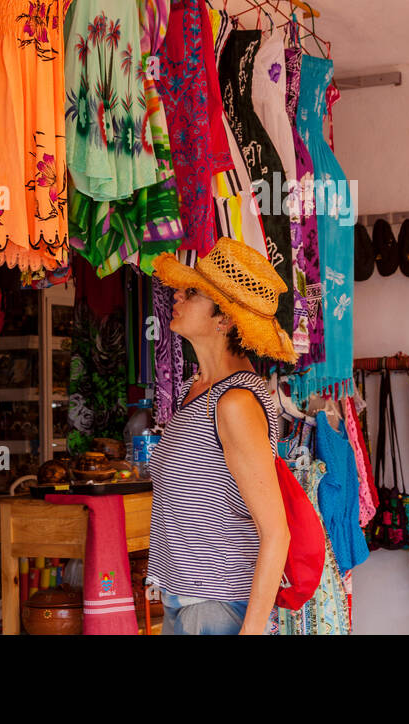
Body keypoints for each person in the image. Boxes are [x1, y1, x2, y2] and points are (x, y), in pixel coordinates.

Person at [146, 238, 298, 635]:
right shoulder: (195, 392)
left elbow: (275, 532)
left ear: (225, 319)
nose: (177, 294)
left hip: (217, 606)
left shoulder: (235, 403)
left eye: (193, 292)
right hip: (185, 599)